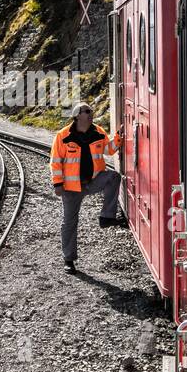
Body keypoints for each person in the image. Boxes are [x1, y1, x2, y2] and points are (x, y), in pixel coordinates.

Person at [49, 102, 124, 273]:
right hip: (71, 187)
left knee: (113, 177)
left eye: (91, 111)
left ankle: (106, 217)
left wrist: (119, 137)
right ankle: (69, 259)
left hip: (93, 181)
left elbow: (108, 150)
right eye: (87, 111)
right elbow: (55, 161)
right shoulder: (63, 136)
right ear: (77, 115)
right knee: (69, 223)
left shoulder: (98, 131)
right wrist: (57, 183)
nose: (91, 113)